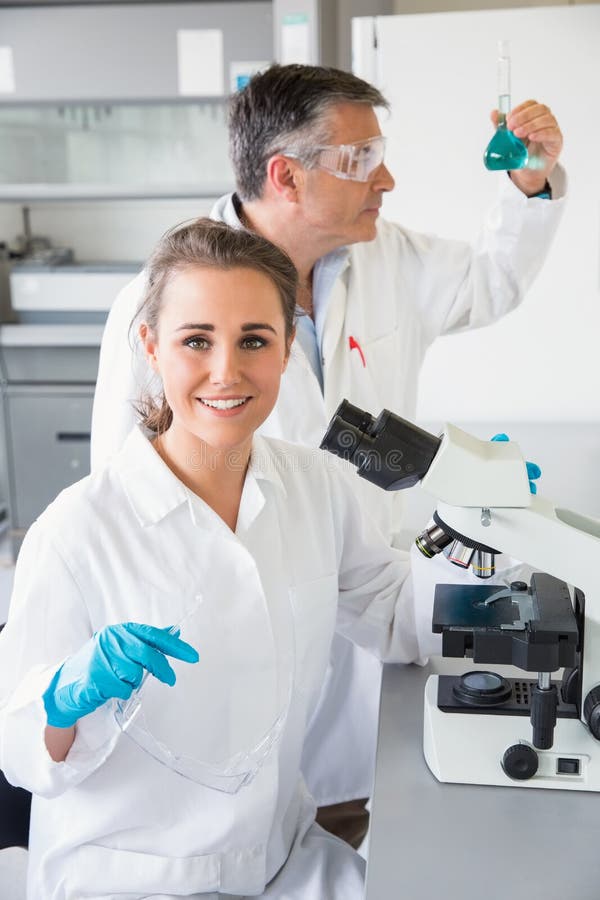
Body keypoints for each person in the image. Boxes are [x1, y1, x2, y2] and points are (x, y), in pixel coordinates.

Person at [90, 64, 566, 848]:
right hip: (231, 653)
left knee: (354, 821)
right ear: (285, 175)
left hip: (379, 606)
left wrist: (528, 187)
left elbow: (491, 279)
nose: (386, 178)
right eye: (359, 159)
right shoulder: (162, 302)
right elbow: (123, 500)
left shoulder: (387, 260)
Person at [0, 219, 445, 899]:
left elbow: (391, 610)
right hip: (128, 876)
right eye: (196, 341)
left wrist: (489, 561)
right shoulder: (77, 531)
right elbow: (23, 752)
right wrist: (63, 697)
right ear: (151, 346)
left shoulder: (314, 485)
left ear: (289, 346)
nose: (226, 372)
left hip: (281, 858)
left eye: (254, 341)